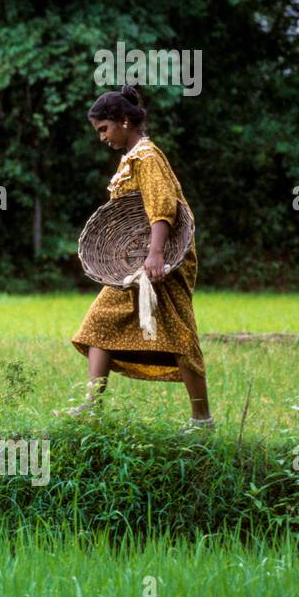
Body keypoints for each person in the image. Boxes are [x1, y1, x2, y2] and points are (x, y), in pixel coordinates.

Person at [60, 83, 212, 431]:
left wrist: (156, 254)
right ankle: (91, 406)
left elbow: (162, 206)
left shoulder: (147, 156)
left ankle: (202, 421)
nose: (102, 137)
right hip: (136, 261)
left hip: (163, 260)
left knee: (180, 337)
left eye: (104, 129)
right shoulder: (131, 159)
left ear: (124, 120)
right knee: (98, 324)